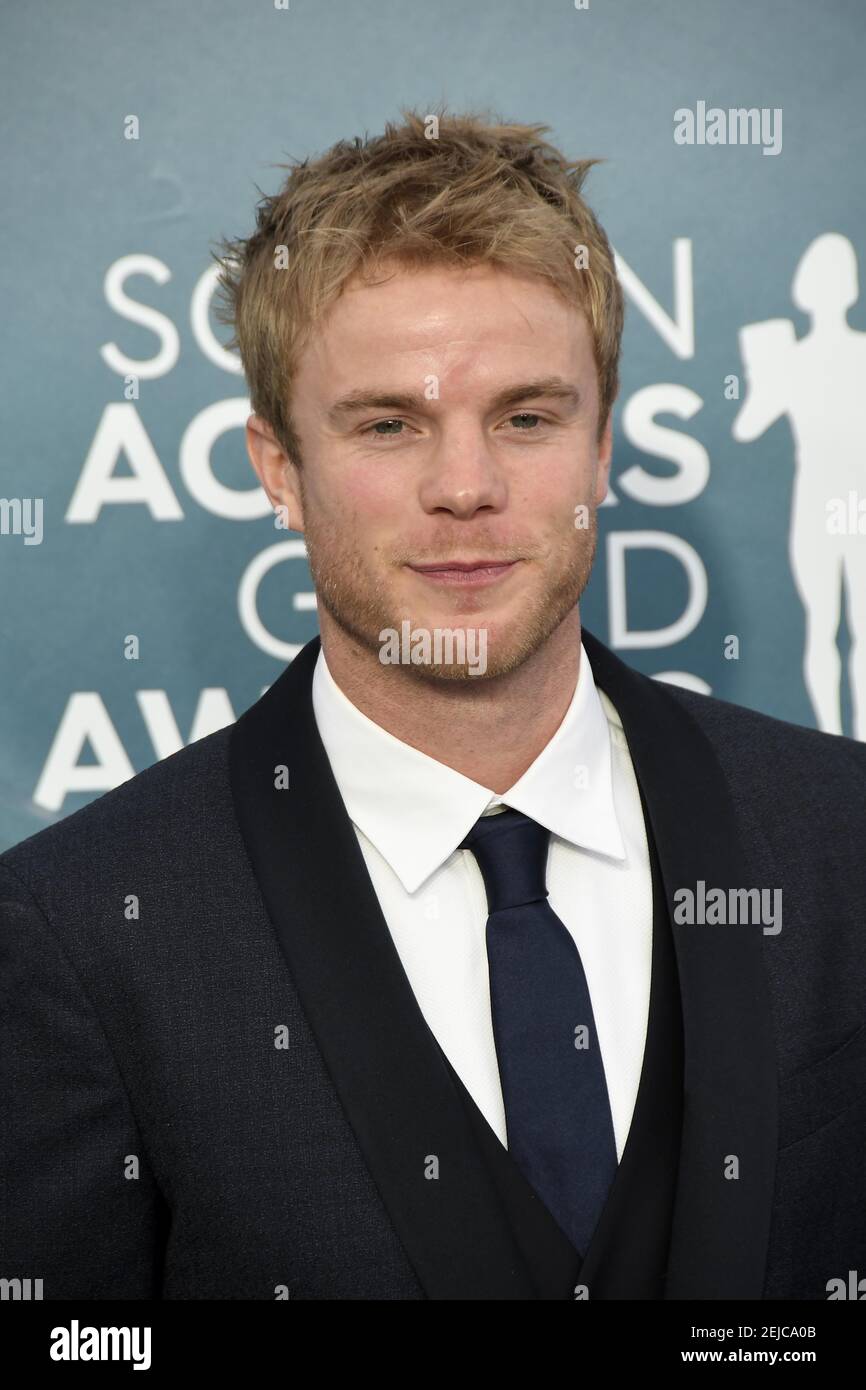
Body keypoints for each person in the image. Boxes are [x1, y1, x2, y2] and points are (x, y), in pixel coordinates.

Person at [2, 110, 865, 1301]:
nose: (466, 487)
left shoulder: (838, 834)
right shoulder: (85, 934)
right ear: (276, 468)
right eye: (388, 425)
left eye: (524, 416)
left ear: (603, 444)